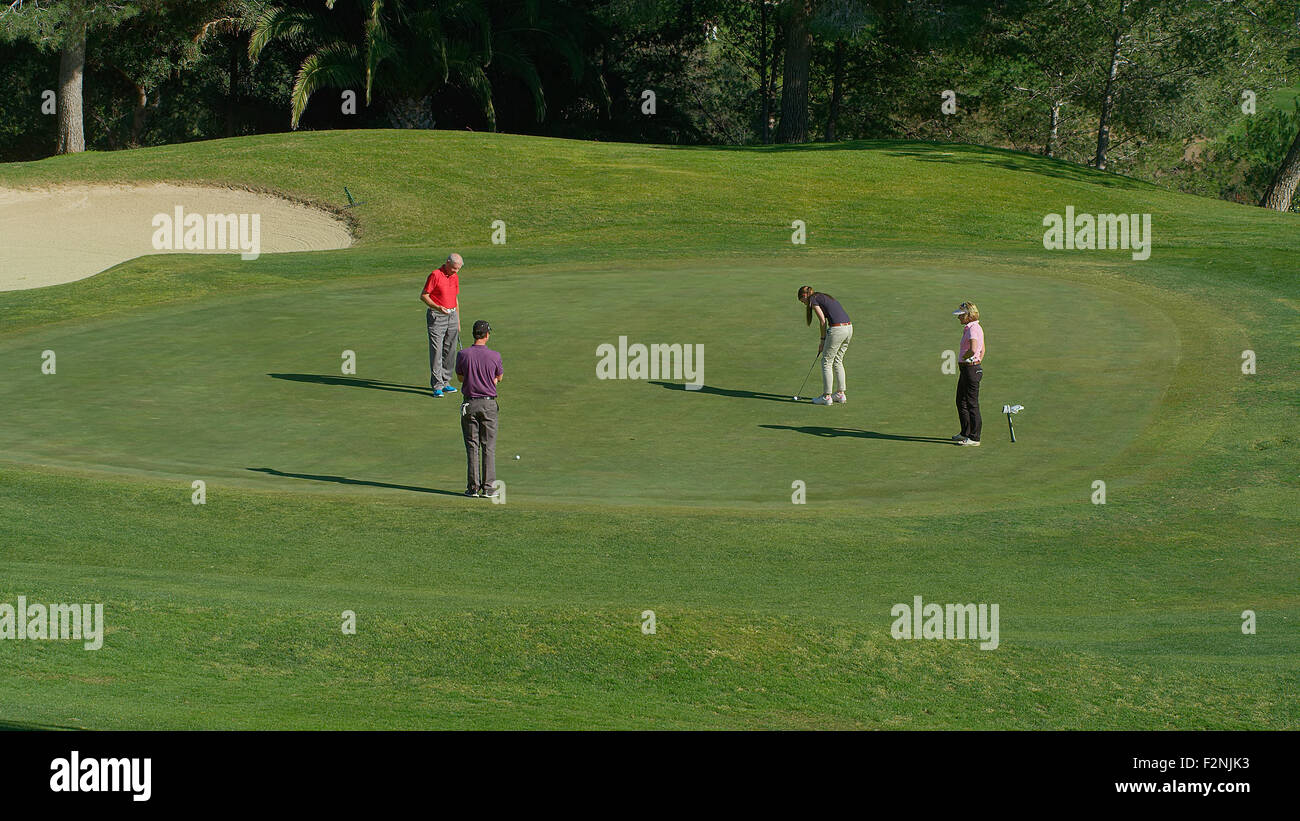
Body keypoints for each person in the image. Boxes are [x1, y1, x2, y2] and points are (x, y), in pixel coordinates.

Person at [455, 320, 503, 498]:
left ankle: (473, 488)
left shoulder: (463, 354)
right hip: (489, 404)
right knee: (488, 447)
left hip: (470, 404)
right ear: (487, 335)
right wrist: (494, 381)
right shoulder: (495, 355)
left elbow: (460, 378)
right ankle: (488, 488)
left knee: (472, 446)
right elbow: (499, 376)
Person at [797, 285, 852, 405]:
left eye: (803, 301)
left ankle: (826, 396)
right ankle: (840, 394)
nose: (805, 304)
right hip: (849, 328)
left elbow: (822, 321)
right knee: (838, 360)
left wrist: (822, 340)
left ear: (805, 296)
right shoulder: (823, 296)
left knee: (826, 362)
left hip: (837, 330)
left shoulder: (813, 299)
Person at [421, 253, 463, 397]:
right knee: (437, 351)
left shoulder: (455, 276)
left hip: (452, 315)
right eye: (453, 269)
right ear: (447, 263)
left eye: (458, 269)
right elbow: (424, 295)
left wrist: (457, 319)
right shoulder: (435, 275)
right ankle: (437, 385)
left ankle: (446, 382)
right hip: (437, 316)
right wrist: (438, 307)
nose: (455, 272)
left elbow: (455, 298)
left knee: (450, 350)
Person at [952, 301, 985, 446]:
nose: (958, 318)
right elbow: (982, 350)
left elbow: (974, 349)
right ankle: (965, 432)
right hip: (970, 369)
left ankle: (974, 438)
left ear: (968, 315)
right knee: (961, 401)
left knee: (971, 403)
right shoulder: (971, 328)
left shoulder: (973, 329)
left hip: (970, 369)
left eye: (961, 315)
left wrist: (967, 360)